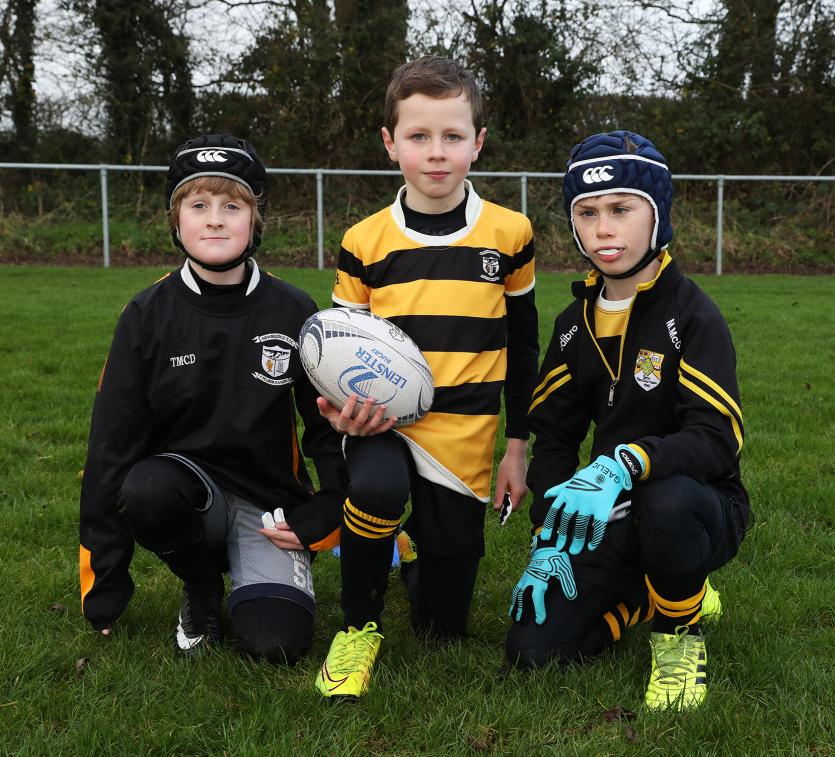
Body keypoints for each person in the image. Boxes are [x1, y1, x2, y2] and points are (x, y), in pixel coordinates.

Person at [313, 55, 539, 699]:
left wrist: (516, 448)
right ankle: (358, 628)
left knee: (443, 628)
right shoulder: (364, 241)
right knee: (378, 488)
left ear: (478, 143)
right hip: (383, 425)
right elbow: (339, 351)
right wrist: (340, 411)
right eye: (418, 136)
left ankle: (411, 552)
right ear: (390, 144)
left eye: (452, 136)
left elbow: (523, 347)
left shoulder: (510, 233)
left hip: (464, 439)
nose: (436, 153)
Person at [79, 133, 347, 664]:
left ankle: (257, 575)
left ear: (256, 220)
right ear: (176, 222)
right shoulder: (146, 315)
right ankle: (201, 586)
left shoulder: (293, 309)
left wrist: (328, 506)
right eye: (198, 205)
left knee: (276, 645)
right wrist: (104, 581)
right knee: (147, 486)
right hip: (184, 492)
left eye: (232, 205)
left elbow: (323, 425)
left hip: (267, 504)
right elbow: (111, 447)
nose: (215, 219)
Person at [505, 130, 750, 711]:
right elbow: (556, 440)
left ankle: (679, 632)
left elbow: (717, 439)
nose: (603, 228)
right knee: (532, 651)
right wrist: (549, 536)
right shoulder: (573, 324)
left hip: (698, 505)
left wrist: (626, 461)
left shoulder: (694, 315)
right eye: (586, 213)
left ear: (657, 215)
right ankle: (646, 596)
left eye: (621, 209)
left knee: (665, 504)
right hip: (608, 510)